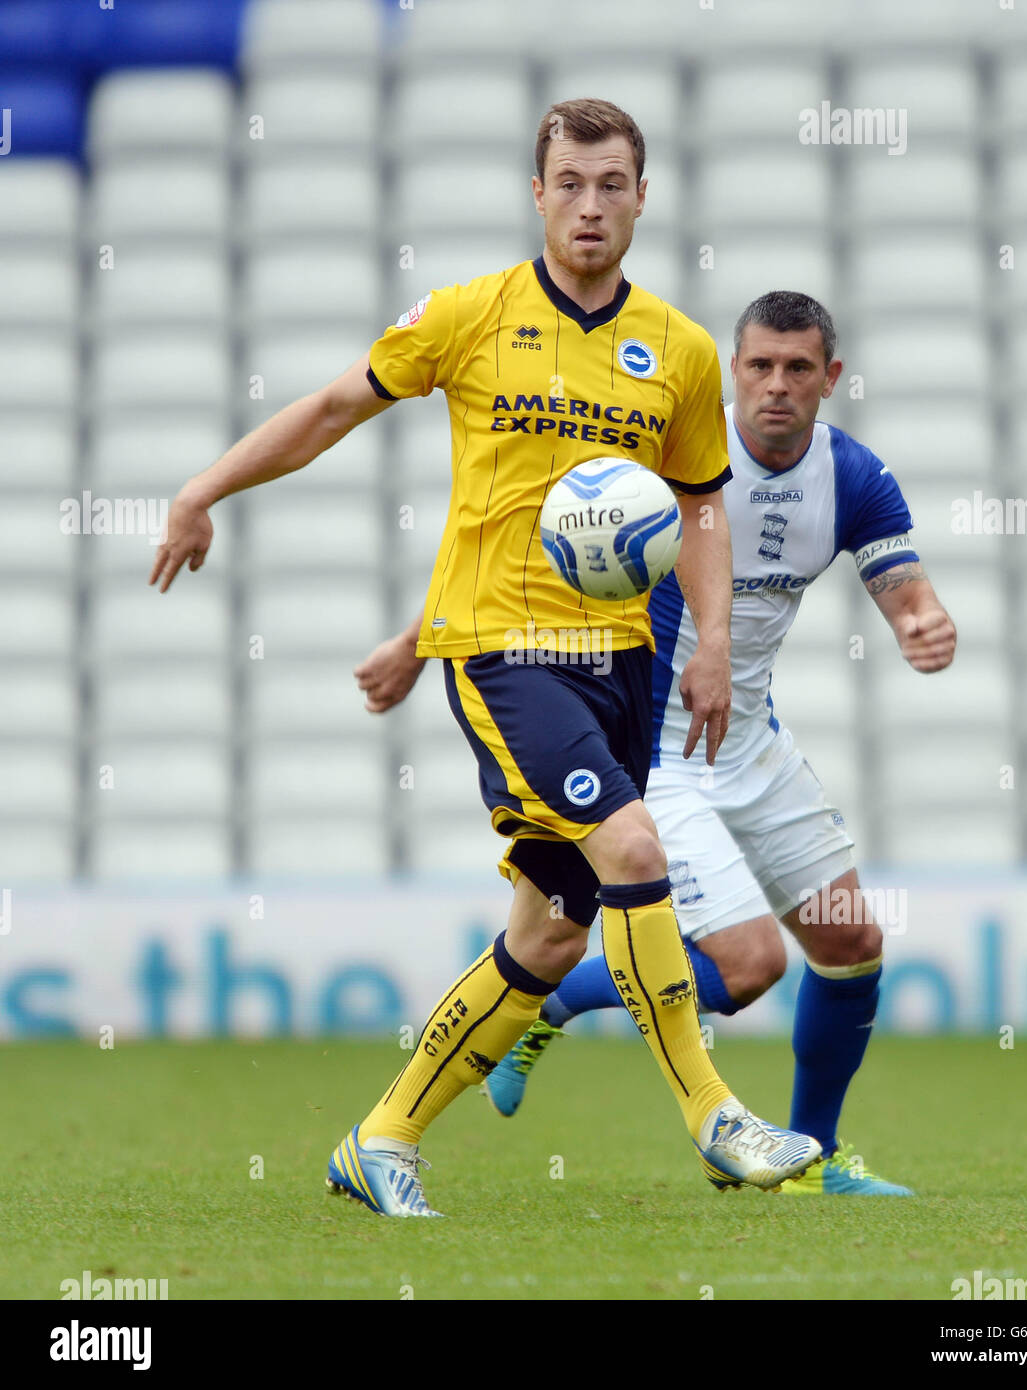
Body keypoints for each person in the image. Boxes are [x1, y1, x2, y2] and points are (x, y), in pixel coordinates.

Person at [150, 102, 822, 1217]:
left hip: (622, 665)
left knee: (551, 932)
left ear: (643, 197)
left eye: (612, 184)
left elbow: (703, 509)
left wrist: (709, 643)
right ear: (538, 192)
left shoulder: (686, 351)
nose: (591, 205)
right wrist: (202, 488)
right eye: (570, 183)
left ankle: (381, 1137)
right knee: (634, 844)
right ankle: (716, 1117)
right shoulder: (470, 317)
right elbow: (331, 408)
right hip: (505, 656)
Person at [363, 291, 957, 1197]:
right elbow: (535, 552)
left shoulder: (856, 477)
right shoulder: (671, 455)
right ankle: (553, 1003)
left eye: (799, 369)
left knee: (851, 941)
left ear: (830, 379)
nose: (776, 387)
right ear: (734, 370)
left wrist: (926, 624)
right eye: (758, 365)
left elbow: (906, 590)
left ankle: (814, 1158)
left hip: (751, 737)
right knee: (751, 965)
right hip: (656, 750)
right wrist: (415, 643)